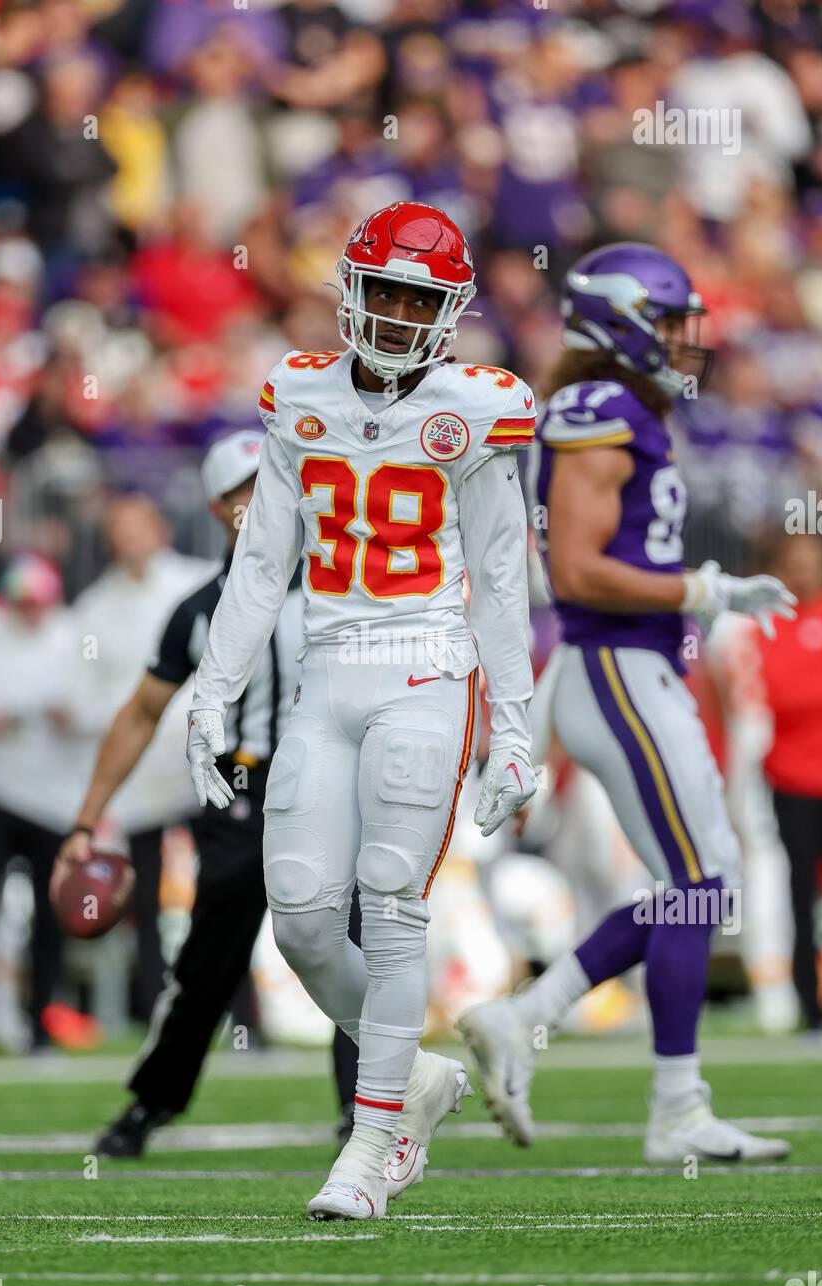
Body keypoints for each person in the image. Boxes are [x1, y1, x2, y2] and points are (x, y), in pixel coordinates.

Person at [187, 201, 538, 1220]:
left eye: (414, 297)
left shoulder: (474, 408)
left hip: (426, 665)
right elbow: (261, 563)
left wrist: (510, 725)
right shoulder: (297, 393)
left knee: (388, 905)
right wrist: (212, 687)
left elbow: (504, 576)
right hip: (325, 669)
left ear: (448, 309)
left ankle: (374, 1139)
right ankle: (418, 1073)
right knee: (298, 916)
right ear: (348, 287)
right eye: (380, 290)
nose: (391, 312)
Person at [460, 242, 796, 1164]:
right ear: (620, 320)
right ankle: (676, 1106)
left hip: (629, 667)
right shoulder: (600, 405)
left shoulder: (618, 404)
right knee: (696, 886)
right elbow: (574, 568)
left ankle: (527, 1015)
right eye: (669, 321)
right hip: (612, 663)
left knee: (699, 882)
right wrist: (705, 592)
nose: (687, 341)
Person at [51, 432, 315, 1154]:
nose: (266, 502)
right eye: (248, 491)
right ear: (220, 507)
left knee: (356, 941)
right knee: (208, 960)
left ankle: (370, 1115)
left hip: (330, 787)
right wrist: (86, 820)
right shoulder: (200, 607)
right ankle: (151, 1103)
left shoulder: (341, 587)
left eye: (277, 484)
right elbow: (140, 713)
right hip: (239, 791)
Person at [68, 494, 212, 1019]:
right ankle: (157, 1009)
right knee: (144, 896)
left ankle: (245, 1019)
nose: (129, 539)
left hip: (207, 761)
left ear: (159, 528)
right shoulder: (95, 607)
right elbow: (85, 695)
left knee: (223, 889)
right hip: (142, 770)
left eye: (137, 526)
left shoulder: (198, 584)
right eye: (119, 530)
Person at [0, 553, 76, 1049]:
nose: (30, 613)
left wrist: (70, 716)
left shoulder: (73, 636)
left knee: (52, 916)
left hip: (56, 799)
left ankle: (39, 1018)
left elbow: (96, 708)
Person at [755, 532, 822, 1034]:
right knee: (799, 894)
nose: (802, 571)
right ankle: (809, 1003)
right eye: (792, 561)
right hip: (794, 782)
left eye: (810, 560)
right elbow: (778, 694)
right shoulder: (769, 625)